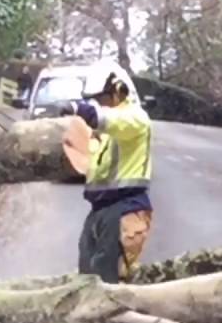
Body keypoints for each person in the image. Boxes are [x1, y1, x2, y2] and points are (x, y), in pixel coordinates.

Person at [61, 68, 153, 282]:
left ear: (118, 91)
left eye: (101, 98)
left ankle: (114, 315)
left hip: (125, 207)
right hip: (99, 209)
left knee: (110, 280)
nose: (99, 104)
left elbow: (110, 119)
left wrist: (79, 109)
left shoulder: (136, 117)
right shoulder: (103, 132)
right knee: (87, 274)